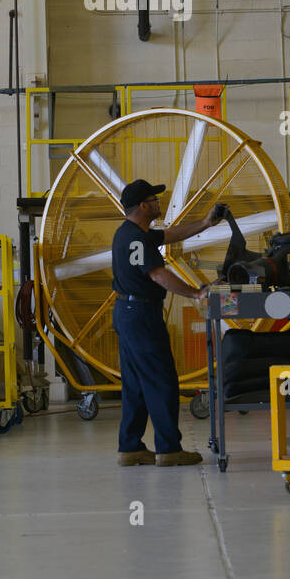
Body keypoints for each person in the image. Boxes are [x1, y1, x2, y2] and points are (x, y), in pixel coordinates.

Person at [111, 178, 225, 466]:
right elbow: (158, 274)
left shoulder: (130, 234)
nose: (158, 203)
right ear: (143, 206)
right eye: (154, 200)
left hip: (127, 312)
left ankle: (130, 448)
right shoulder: (137, 239)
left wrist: (206, 223)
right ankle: (169, 449)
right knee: (161, 380)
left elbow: (171, 234)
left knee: (135, 384)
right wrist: (196, 292)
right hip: (142, 315)